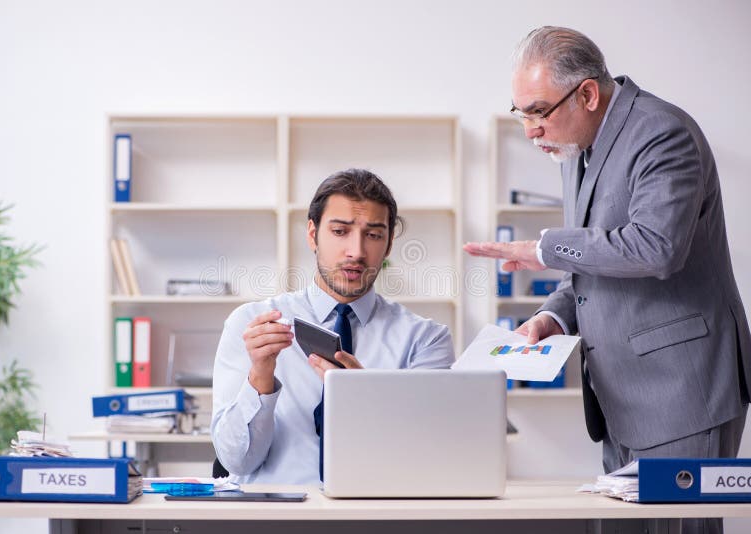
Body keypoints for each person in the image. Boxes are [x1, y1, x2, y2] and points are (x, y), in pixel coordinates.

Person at [464, 26, 750, 534]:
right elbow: (594, 263)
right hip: (621, 398)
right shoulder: (579, 146)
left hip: (682, 393)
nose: (530, 129)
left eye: (537, 111)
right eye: (521, 113)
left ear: (587, 94)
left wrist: (540, 249)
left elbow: (655, 247)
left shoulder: (663, 132)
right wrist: (551, 316)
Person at [211, 168, 455, 484]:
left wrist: (366, 400)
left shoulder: (425, 340)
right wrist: (259, 376)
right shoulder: (252, 325)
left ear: (389, 244)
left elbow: (428, 461)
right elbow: (236, 462)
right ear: (313, 235)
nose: (356, 251)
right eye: (340, 231)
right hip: (279, 519)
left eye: (373, 234)